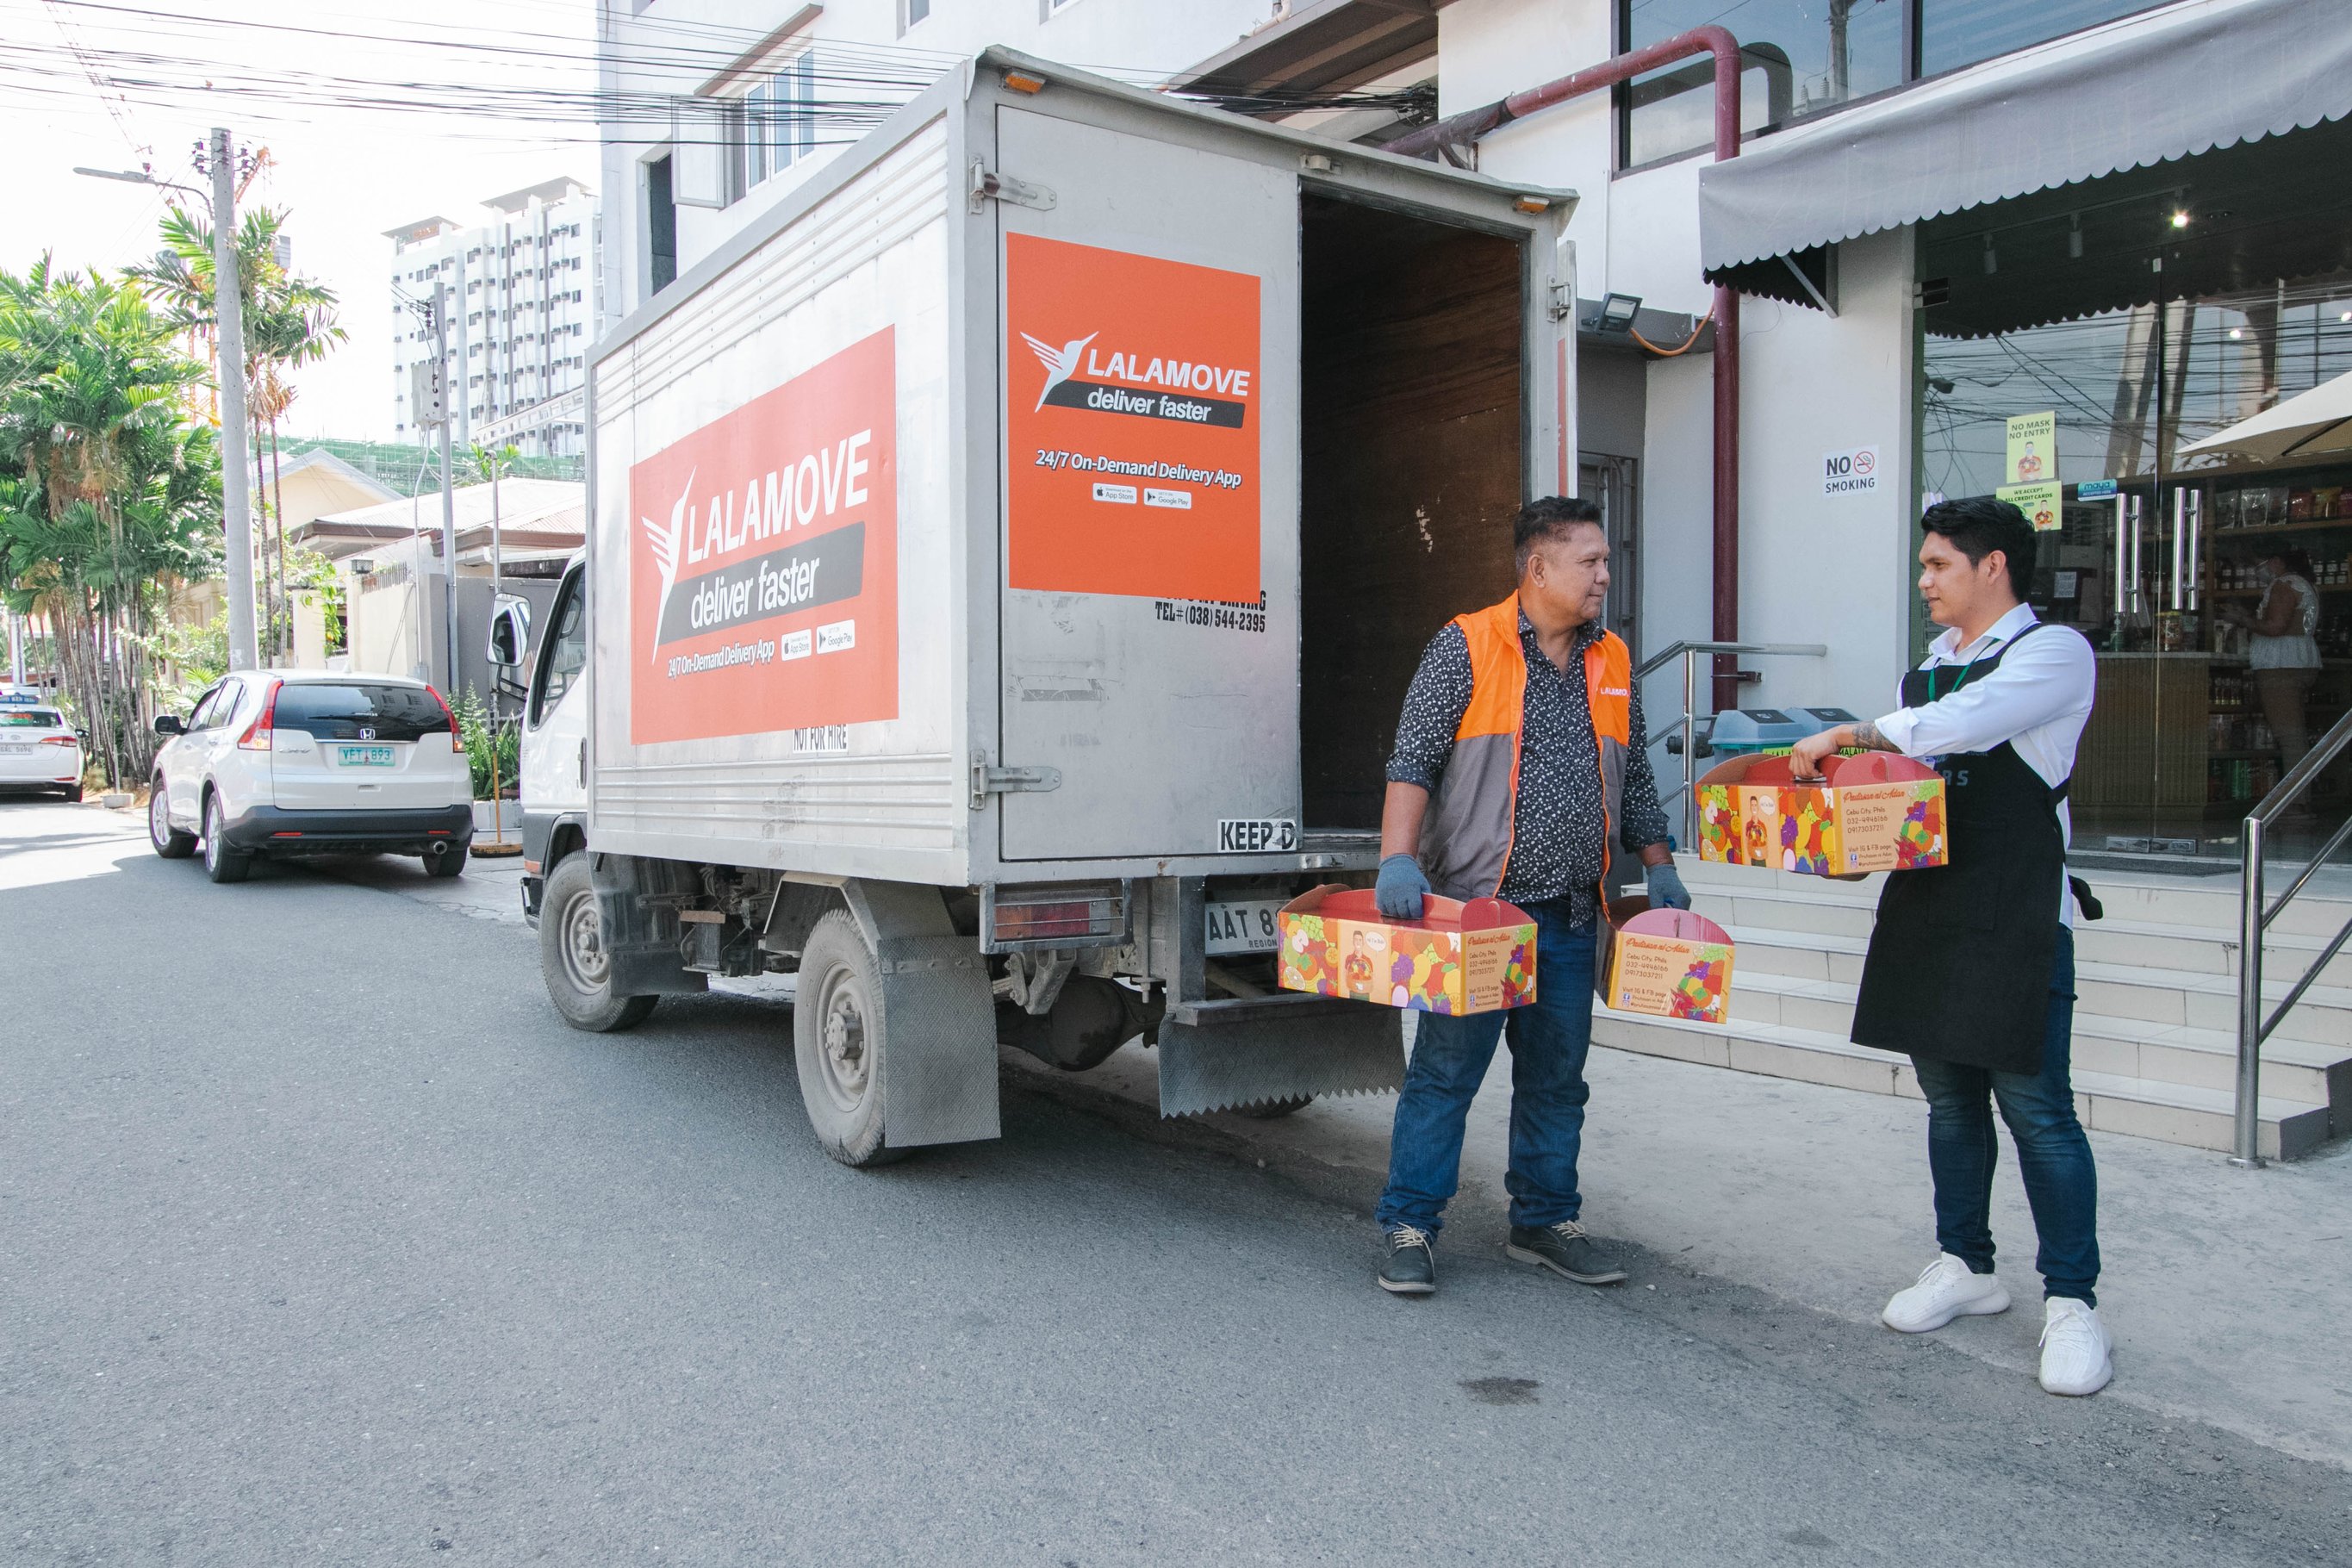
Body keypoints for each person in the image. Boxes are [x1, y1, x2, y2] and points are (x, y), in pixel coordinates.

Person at [1789, 495, 2110, 1397]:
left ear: (1993, 565)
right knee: (1948, 1099)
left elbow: (1966, 724)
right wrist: (1836, 842)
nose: (1924, 581)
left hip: (2016, 915)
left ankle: (2074, 1299)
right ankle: (1965, 1261)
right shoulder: (1924, 672)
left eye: (1938, 565)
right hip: (1932, 904)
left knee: (2038, 1108)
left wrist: (1850, 733)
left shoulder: (2052, 654)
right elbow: (1901, 801)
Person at [1370, 495, 1687, 1297]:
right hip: (1483, 913)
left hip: (1575, 913)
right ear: (1538, 568)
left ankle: (1545, 1220)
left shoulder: (1612, 657)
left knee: (1557, 1078)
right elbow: (1412, 759)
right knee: (1446, 1075)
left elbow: (1638, 776)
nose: (1603, 577)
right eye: (1590, 562)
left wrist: (1660, 862)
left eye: (1606, 562)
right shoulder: (1466, 644)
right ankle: (1409, 1225)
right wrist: (1397, 859)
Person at [2230, 548, 2320, 793]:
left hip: (2281, 665)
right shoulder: (2304, 584)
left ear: (2277, 561)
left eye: (2261, 562)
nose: (2260, 570)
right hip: (2299, 661)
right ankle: (2300, 798)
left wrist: (2243, 619)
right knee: (2294, 732)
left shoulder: (2284, 583)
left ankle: (2295, 802)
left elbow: (2275, 627)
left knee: (2289, 736)